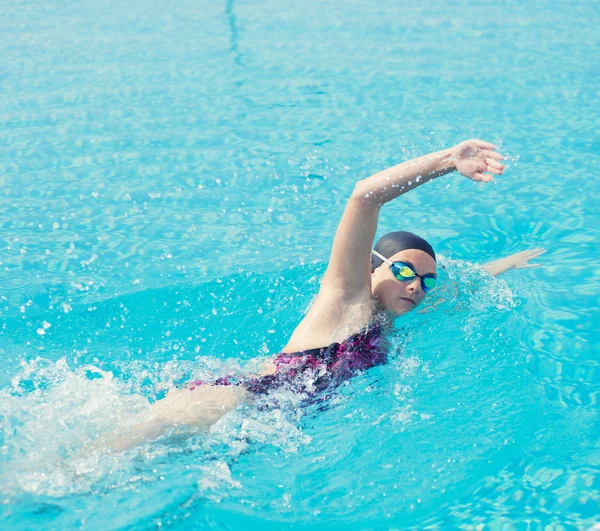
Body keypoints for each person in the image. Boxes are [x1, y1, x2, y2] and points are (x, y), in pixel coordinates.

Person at [102, 139, 545, 452]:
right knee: (79, 476)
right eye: (406, 271)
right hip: (230, 403)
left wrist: (513, 262)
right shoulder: (347, 294)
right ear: (373, 266)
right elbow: (364, 198)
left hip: (266, 423)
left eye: (426, 281)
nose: (417, 286)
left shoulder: (386, 319)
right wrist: (448, 160)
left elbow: (462, 285)